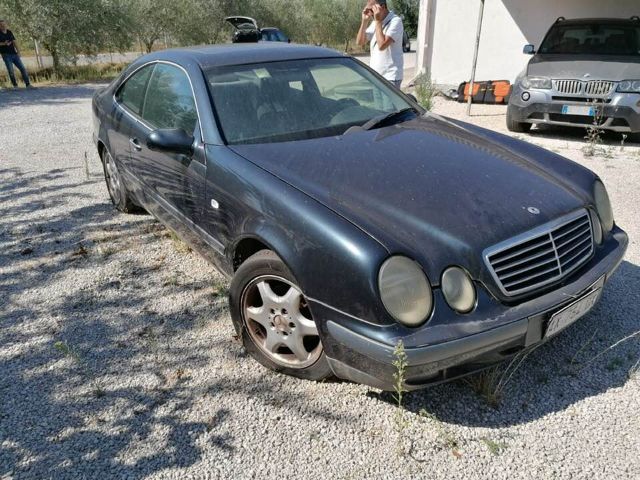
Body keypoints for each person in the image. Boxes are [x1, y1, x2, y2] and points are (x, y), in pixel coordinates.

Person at [356, 0, 404, 89]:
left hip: (390, 77)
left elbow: (382, 45)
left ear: (382, 7)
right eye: (368, 9)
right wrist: (364, 21)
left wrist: (378, 21)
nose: (370, 13)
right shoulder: (375, 22)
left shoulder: (395, 21)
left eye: (372, 9)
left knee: (389, 104)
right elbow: (360, 42)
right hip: (376, 76)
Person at [0, 20, 32, 88]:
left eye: (4, 24)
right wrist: (3, 43)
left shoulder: (9, 32)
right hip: (6, 55)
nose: (3, 26)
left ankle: (28, 84)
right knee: (11, 71)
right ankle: (15, 85)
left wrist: (18, 51)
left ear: (6, 24)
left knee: (23, 69)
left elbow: (14, 42)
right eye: (1, 25)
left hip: (14, 54)